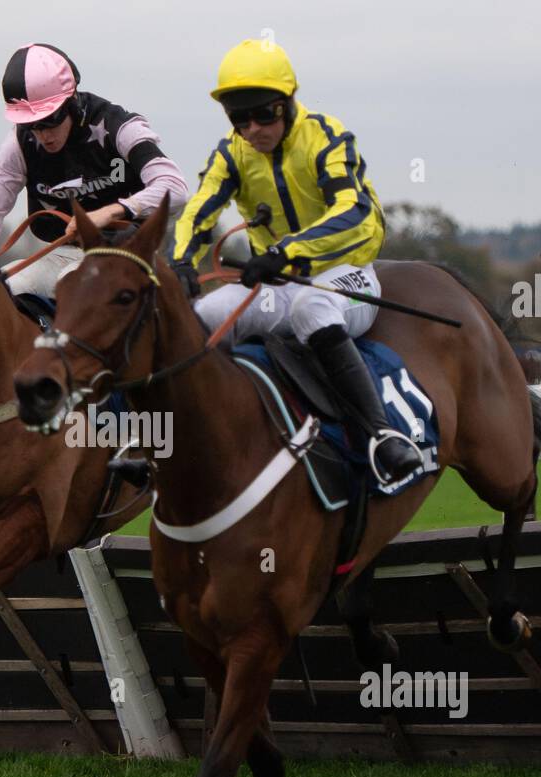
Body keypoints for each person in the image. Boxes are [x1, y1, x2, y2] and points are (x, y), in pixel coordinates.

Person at [170, 39, 421, 484]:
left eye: (263, 114)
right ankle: (185, 439)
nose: (252, 129)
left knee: (311, 308)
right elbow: (199, 207)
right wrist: (181, 263)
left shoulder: (325, 136)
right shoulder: (231, 153)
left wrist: (285, 251)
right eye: (238, 118)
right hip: (278, 285)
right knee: (200, 315)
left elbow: (354, 212)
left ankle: (381, 435)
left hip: (346, 279)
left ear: (287, 102)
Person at [0, 43, 189, 300]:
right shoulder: (19, 144)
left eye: (50, 119)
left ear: (71, 102)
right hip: (64, 254)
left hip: (126, 253)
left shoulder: (118, 126)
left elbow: (175, 189)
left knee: (72, 283)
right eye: (31, 125)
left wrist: (108, 213)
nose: (42, 134)